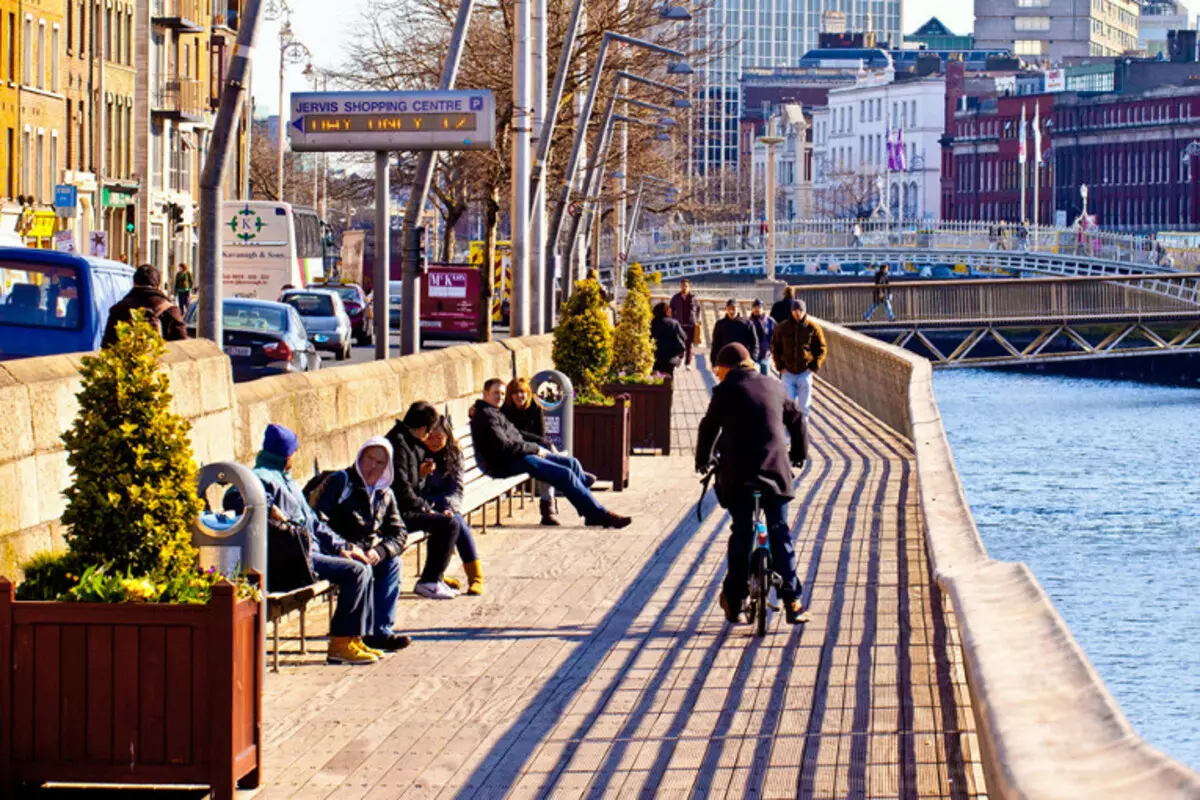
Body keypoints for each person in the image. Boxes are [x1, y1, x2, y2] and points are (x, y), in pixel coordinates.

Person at [250, 424, 384, 665]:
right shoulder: (261, 478)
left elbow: (314, 523)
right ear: (286, 454)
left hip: (310, 550)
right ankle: (340, 643)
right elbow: (236, 497)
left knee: (359, 564)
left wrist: (343, 546)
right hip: (293, 557)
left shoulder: (287, 479)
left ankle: (353, 637)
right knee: (355, 572)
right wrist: (269, 509)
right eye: (293, 452)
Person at [696, 343, 808, 625]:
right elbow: (797, 419)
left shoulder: (724, 391)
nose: (716, 374)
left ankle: (734, 600)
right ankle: (793, 600)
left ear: (727, 367)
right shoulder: (774, 385)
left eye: (717, 369)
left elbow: (708, 427)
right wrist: (797, 455)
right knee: (780, 532)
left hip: (740, 476)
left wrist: (703, 460)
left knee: (743, 533)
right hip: (775, 472)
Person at [471, 378, 632, 529]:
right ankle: (599, 514)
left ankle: (590, 509)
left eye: (502, 393)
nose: (500, 397)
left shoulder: (493, 411)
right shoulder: (486, 415)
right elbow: (505, 446)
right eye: (496, 393)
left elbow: (516, 436)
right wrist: (535, 449)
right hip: (503, 463)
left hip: (519, 455)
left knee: (571, 463)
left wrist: (539, 445)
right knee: (566, 475)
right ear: (485, 394)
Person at [312, 437, 412, 652]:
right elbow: (317, 521)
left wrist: (381, 550)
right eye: (369, 459)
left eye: (379, 463)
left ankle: (380, 632)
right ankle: (355, 635)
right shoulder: (342, 481)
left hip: (365, 551)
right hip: (335, 550)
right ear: (360, 457)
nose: (372, 467)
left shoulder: (385, 493)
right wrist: (345, 546)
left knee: (392, 563)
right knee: (360, 568)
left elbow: (399, 532)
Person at [385, 402, 462, 600]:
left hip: (404, 507)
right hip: (393, 514)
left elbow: (411, 484)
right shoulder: (398, 445)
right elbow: (401, 490)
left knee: (448, 521)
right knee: (449, 525)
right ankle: (429, 581)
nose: (429, 438)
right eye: (429, 432)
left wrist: (422, 475)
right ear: (422, 429)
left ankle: (434, 578)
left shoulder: (408, 443)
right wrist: (427, 509)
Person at [421, 417, 485, 596]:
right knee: (443, 523)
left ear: (447, 436)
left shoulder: (454, 453)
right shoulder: (417, 454)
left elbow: (456, 488)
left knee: (456, 521)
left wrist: (449, 507)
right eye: (430, 437)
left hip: (447, 500)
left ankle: (475, 577)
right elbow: (415, 490)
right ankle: (437, 574)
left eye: (439, 437)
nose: (434, 442)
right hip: (423, 503)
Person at [501, 377, 560, 526]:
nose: (519, 396)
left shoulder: (535, 409)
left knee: (547, 461)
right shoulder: (505, 412)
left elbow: (541, 435)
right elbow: (516, 435)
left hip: (533, 449)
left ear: (528, 393)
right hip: (514, 453)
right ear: (510, 396)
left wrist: (542, 444)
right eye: (515, 393)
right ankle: (549, 508)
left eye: (522, 392)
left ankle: (548, 510)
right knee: (548, 462)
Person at [102, 264, 188, 347]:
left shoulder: (119, 309)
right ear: (158, 285)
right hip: (160, 360)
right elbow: (182, 346)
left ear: (134, 283)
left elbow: (108, 345)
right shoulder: (170, 310)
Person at [770, 299, 827, 418]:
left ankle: (802, 434)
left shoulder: (813, 328)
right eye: (795, 310)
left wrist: (814, 366)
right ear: (791, 311)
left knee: (804, 409)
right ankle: (788, 436)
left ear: (804, 311)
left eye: (800, 310)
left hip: (805, 372)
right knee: (788, 408)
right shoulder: (782, 327)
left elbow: (822, 348)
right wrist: (780, 366)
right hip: (788, 373)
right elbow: (775, 346)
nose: (797, 313)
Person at [710, 298, 760, 364]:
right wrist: (714, 363)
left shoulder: (747, 324)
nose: (731, 311)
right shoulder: (720, 324)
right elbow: (715, 345)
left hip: (743, 361)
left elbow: (754, 344)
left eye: (733, 308)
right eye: (729, 308)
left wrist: (752, 360)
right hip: (725, 361)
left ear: (738, 309)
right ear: (726, 309)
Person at [668, 278, 701, 370]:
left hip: (690, 324)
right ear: (680, 286)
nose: (684, 287)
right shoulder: (675, 298)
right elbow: (671, 309)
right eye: (683, 286)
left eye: (686, 286)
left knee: (689, 344)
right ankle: (679, 359)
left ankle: (688, 363)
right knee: (679, 343)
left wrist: (697, 320)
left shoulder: (693, 298)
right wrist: (672, 321)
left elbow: (698, 309)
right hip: (679, 324)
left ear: (689, 287)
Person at [650, 301, 687, 377]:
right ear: (667, 311)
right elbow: (683, 336)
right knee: (668, 379)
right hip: (670, 357)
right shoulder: (674, 323)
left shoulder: (651, 323)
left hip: (654, 357)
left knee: (655, 379)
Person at [748, 299, 776, 375]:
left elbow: (775, 338)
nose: (757, 309)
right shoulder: (748, 322)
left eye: (759, 307)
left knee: (765, 379)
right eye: (755, 307)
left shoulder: (770, 321)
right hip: (753, 357)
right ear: (752, 309)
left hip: (766, 355)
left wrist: (772, 350)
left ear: (763, 308)